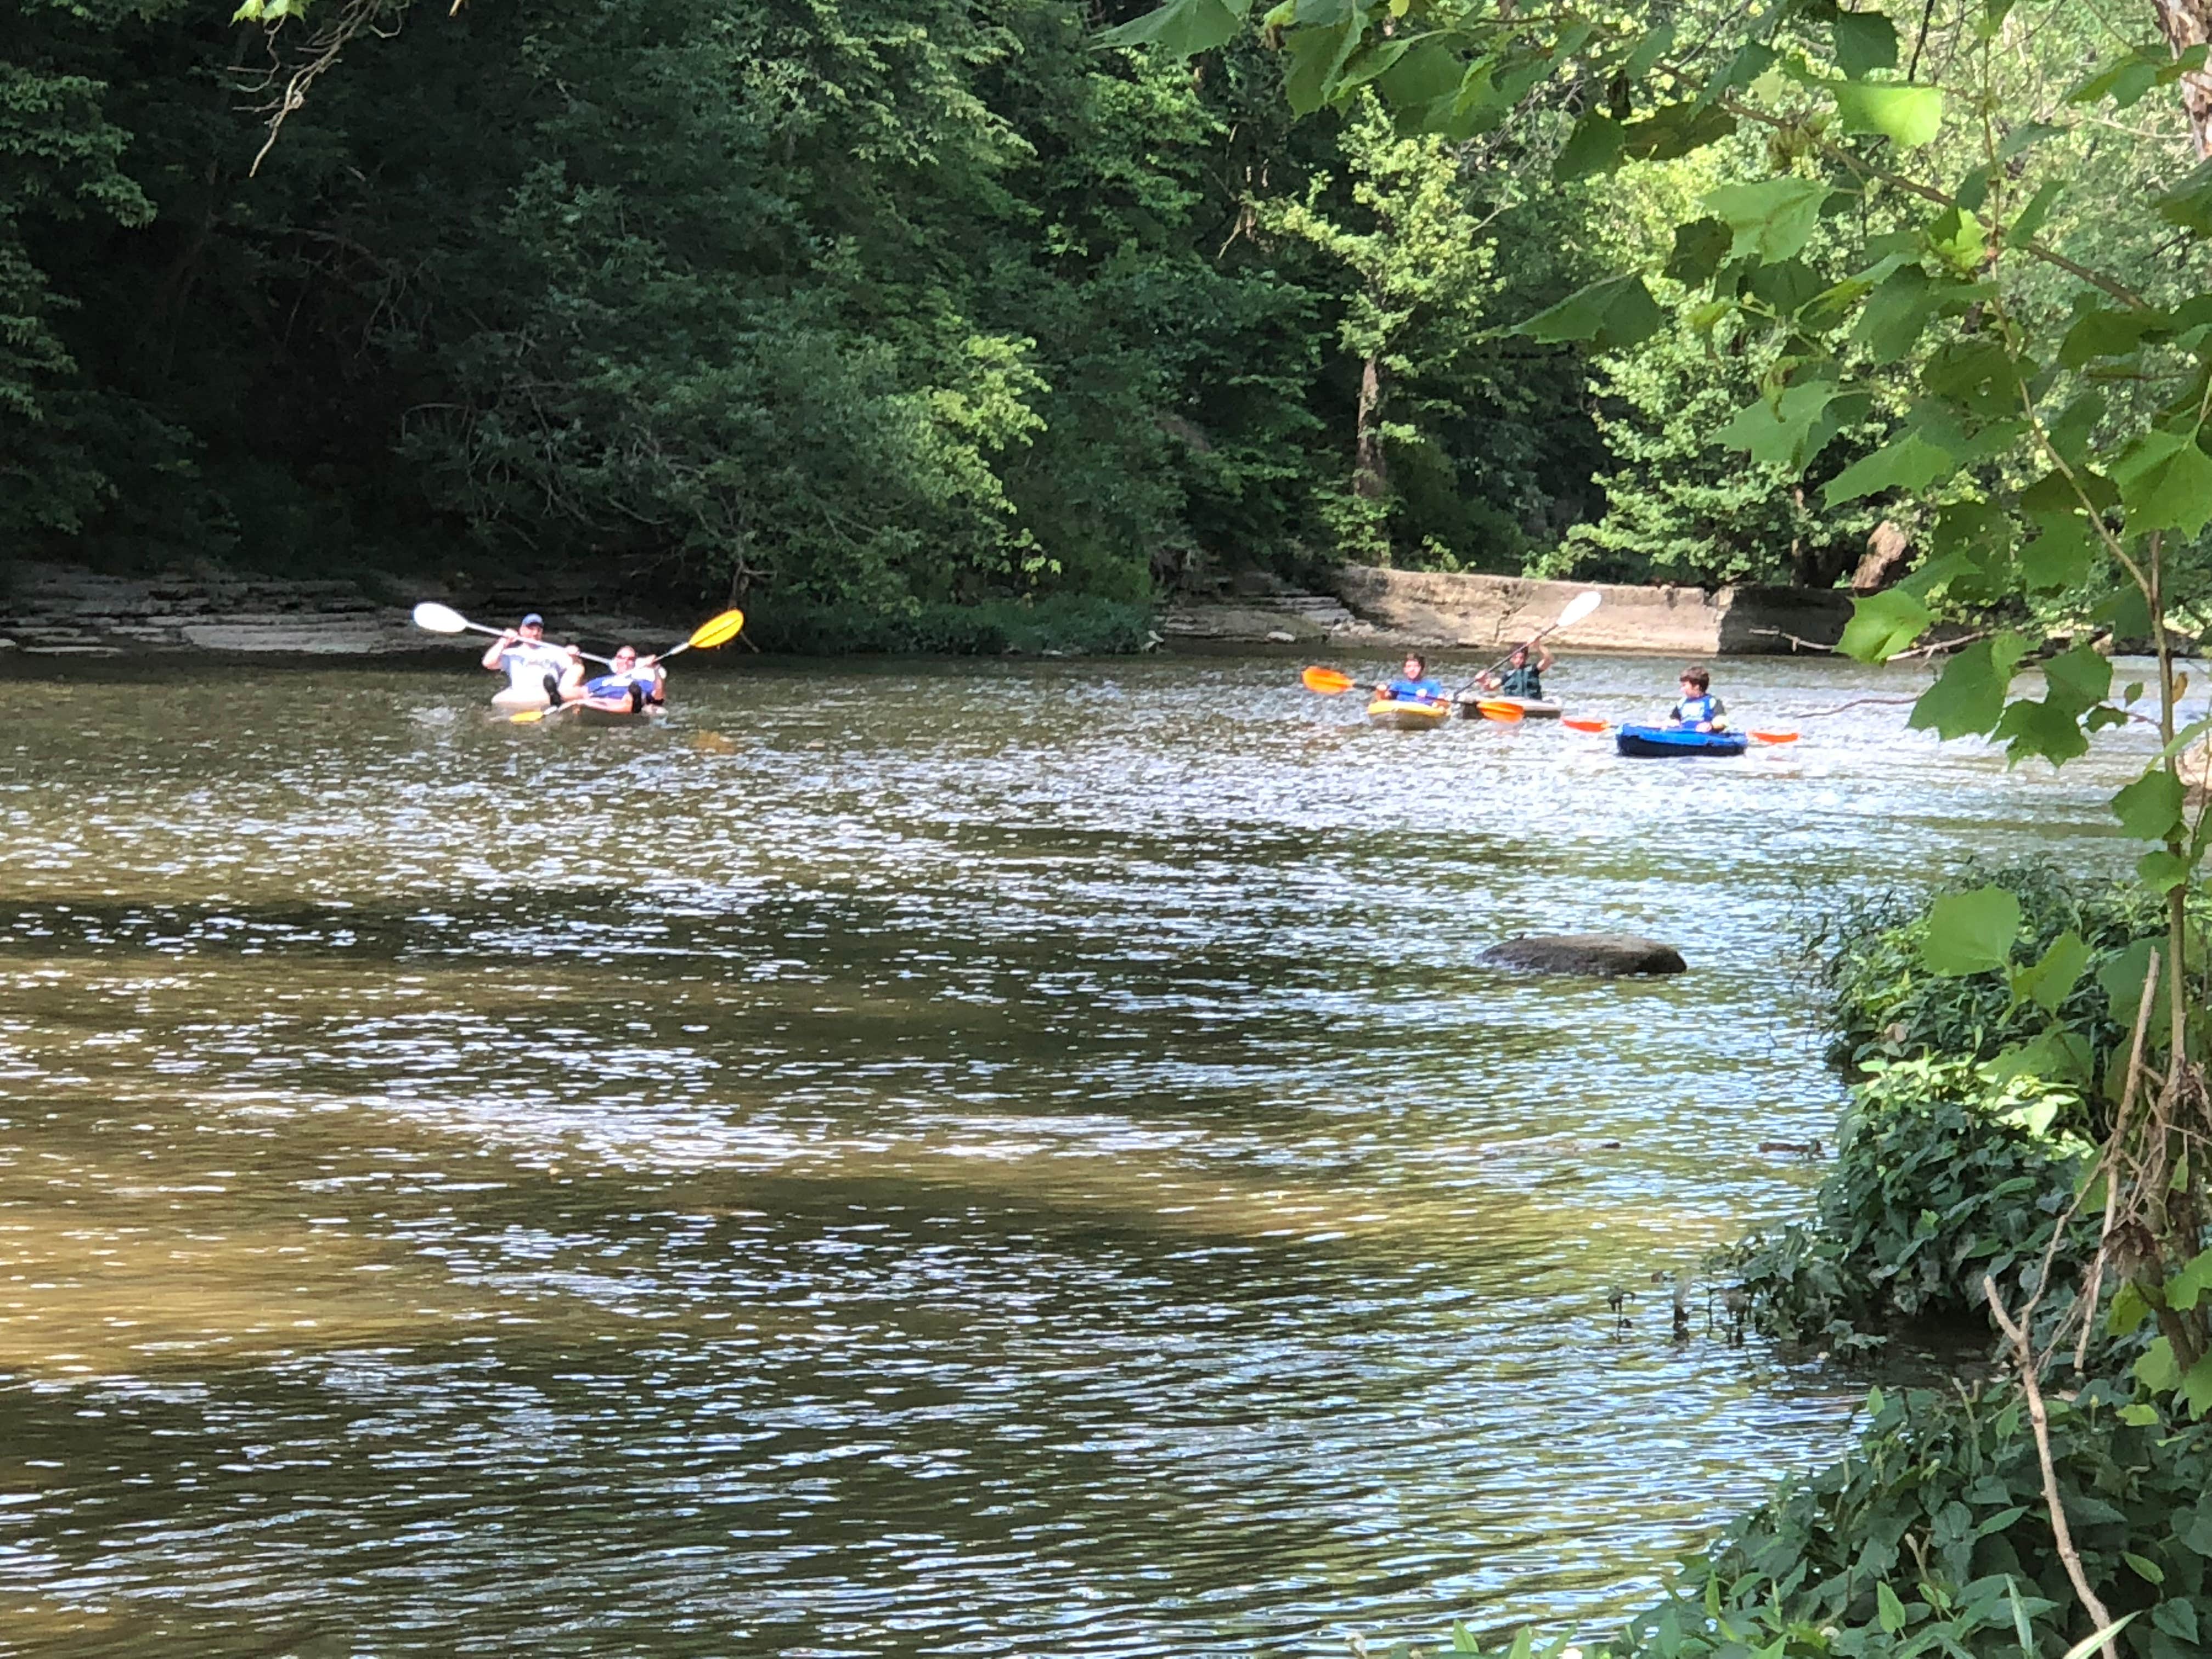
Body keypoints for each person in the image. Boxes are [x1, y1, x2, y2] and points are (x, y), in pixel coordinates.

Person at [482, 613, 584, 710]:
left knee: (577, 669)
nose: (535, 633)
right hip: (523, 695)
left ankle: (561, 699)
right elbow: (488, 663)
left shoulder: (554, 651)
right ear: (521, 631)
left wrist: (574, 656)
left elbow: (576, 668)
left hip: (549, 692)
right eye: (531, 629)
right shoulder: (512, 654)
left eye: (538, 630)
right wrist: (504, 641)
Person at [574, 645, 667, 714]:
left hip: (626, 704)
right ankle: (593, 707)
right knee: (582, 696)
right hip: (598, 702)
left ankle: (600, 707)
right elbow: (578, 692)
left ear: (635, 663)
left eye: (630, 659)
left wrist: (656, 669)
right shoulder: (600, 681)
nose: (625, 662)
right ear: (616, 660)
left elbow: (659, 698)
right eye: (621, 658)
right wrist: (573, 658)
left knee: (634, 692)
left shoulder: (642, 683)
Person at [1480, 642, 1554, 699]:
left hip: (1533, 703)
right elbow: (1490, 688)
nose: (1518, 661)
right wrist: (1483, 681)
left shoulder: (1534, 670)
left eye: (1521, 658)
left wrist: (1537, 646)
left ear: (1526, 658)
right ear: (1511, 659)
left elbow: (1548, 659)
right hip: (1514, 706)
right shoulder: (1507, 675)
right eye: (1515, 658)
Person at [1669, 664, 1727, 731]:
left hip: (1706, 738)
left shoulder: (1713, 702)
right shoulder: (1681, 703)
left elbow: (1723, 721)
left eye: (1684, 686)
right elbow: (1674, 720)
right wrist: (1667, 724)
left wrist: (1711, 725)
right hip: (1685, 735)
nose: (1682, 689)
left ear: (1696, 686)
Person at [1376, 653, 1446, 704]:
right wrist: (1381, 692)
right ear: (1405, 670)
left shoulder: (1432, 685)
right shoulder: (1398, 686)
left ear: (1421, 669)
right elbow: (1385, 699)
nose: (1412, 669)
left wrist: (1428, 695)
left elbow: (1442, 702)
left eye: (1416, 666)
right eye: (1409, 666)